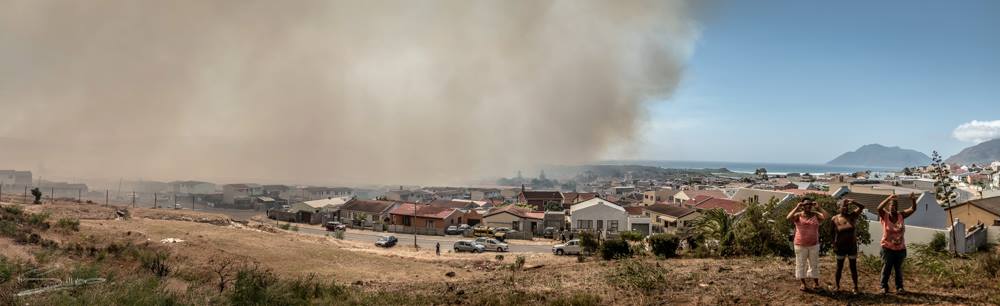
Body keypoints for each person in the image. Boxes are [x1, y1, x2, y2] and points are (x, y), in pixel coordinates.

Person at [877, 193, 916, 294]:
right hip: (887, 248)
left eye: (894, 206)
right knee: (886, 268)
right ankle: (883, 287)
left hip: (900, 249)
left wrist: (913, 200)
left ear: (897, 207)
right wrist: (888, 198)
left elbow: (913, 209)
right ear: (888, 207)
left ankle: (899, 287)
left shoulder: (901, 215)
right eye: (891, 206)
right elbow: (879, 208)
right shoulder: (884, 215)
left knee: (898, 269)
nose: (892, 207)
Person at [786, 199, 828, 291]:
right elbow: (788, 217)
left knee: (814, 264)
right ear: (802, 205)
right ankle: (803, 283)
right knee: (801, 264)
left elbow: (826, 216)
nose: (808, 206)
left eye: (809, 204)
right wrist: (797, 207)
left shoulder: (816, 214)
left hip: (814, 244)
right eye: (806, 204)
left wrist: (818, 207)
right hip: (800, 244)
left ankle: (816, 283)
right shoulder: (798, 215)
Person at [832, 198, 865, 294]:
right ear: (839, 208)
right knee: (839, 267)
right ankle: (837, 286)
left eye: (846, 206)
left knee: (853, 267)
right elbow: (831, 233)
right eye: (843, 206)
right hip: (840, 247)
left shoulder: (852, 216)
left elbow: (862, 207)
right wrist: (834, 244)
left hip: (852, 247)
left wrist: (853, 201)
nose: (845, 208)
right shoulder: (834, 219)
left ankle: (855, 287)